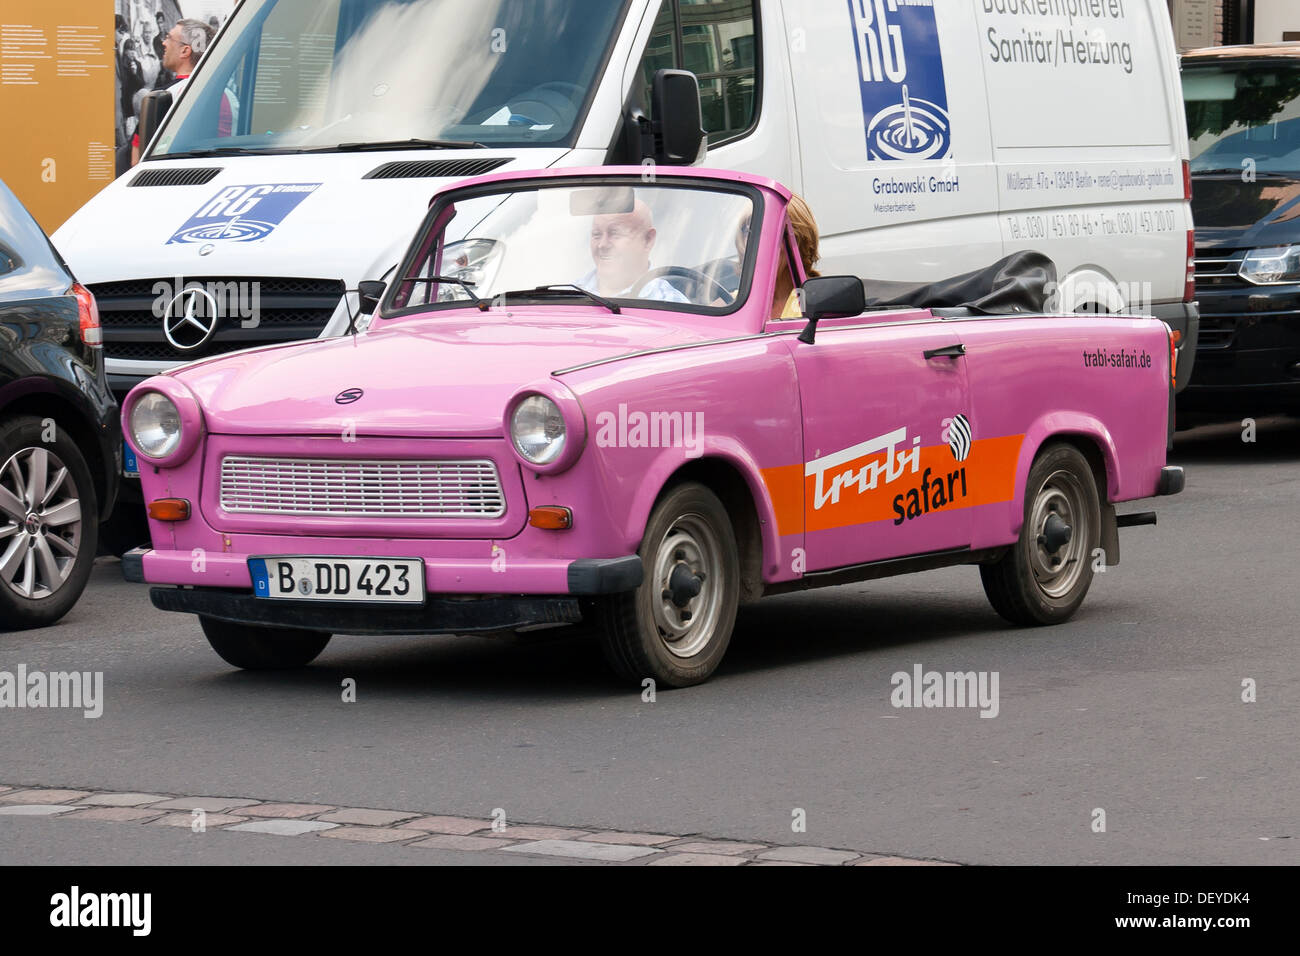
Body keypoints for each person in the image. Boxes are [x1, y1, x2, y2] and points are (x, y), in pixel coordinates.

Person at [131, 19, 228, 166]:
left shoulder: (163, 95)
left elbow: (137, 160)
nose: (164, 43)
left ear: (185, 51)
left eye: (169, 38)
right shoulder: (229, 95)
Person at [577, 200, 690, 303]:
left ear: (648, 240)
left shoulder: (672, 306)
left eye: (615, 233)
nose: (602, 244)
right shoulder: (566, 295)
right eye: (596, 234)